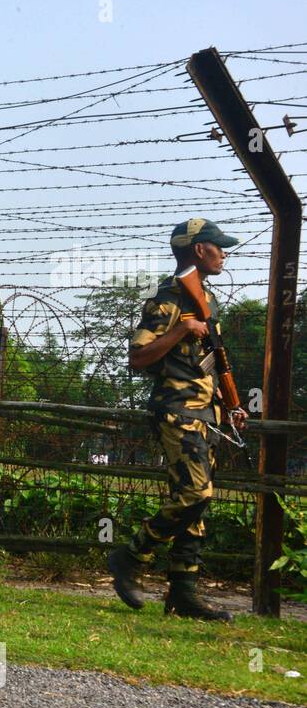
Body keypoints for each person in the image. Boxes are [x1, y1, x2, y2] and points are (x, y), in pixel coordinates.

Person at [107, 218, 248, 621]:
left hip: (207, 413)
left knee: (193, 508)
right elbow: (138, 357)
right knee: (194, 495)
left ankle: (184, 593)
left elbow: (204, 361)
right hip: (176, 412)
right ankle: (129, 556)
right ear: (198, 250)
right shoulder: (169, 299)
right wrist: (181, 329)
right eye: (217, 246)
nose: (224, 253)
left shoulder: (206, 299)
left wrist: (230, 402)